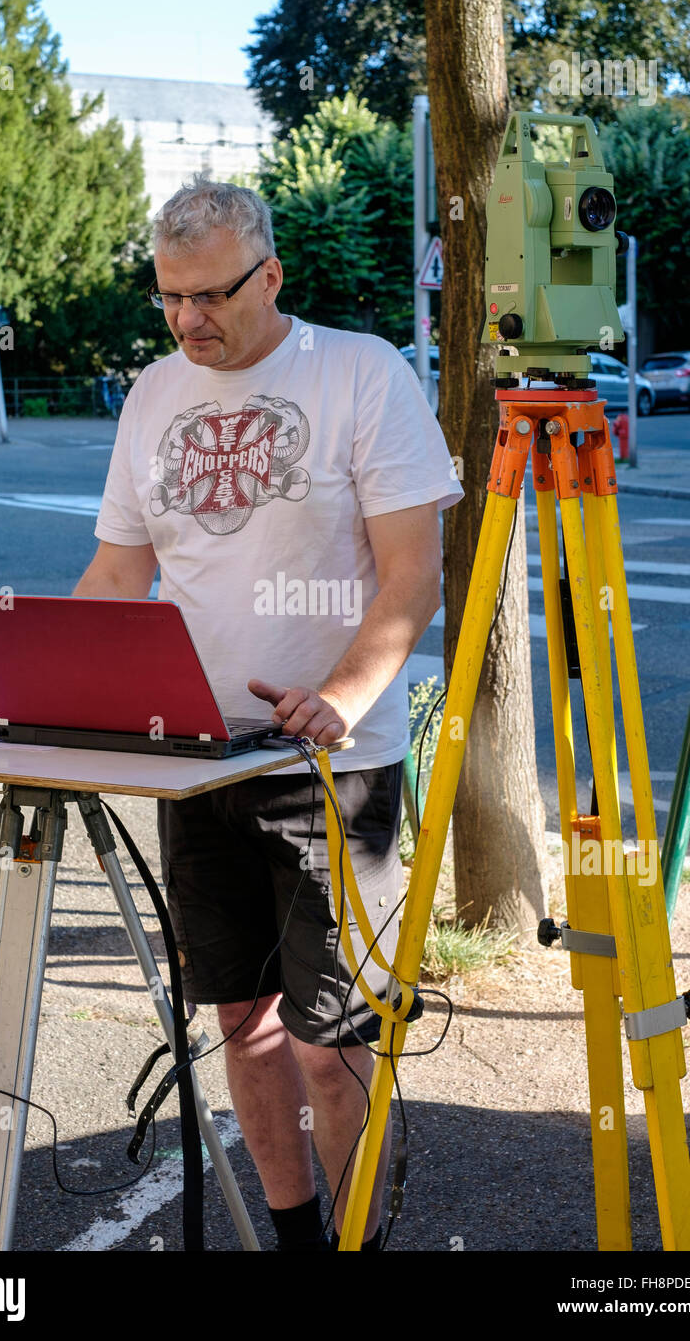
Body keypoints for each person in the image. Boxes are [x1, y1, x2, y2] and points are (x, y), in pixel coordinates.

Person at [74, 176, 461, 1250]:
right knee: (242, 1024)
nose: (189, 319)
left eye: (210, 295)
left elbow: (410, 579)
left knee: (332, 1044)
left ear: (271, 274)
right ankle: (294, 1237)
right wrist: (37, 682)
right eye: (168, 298)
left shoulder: (360, 373)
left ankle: (360, 1243)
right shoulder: (152, 394)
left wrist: (337, 698)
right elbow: (116, 573)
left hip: (336, 768)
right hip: (197, 763)